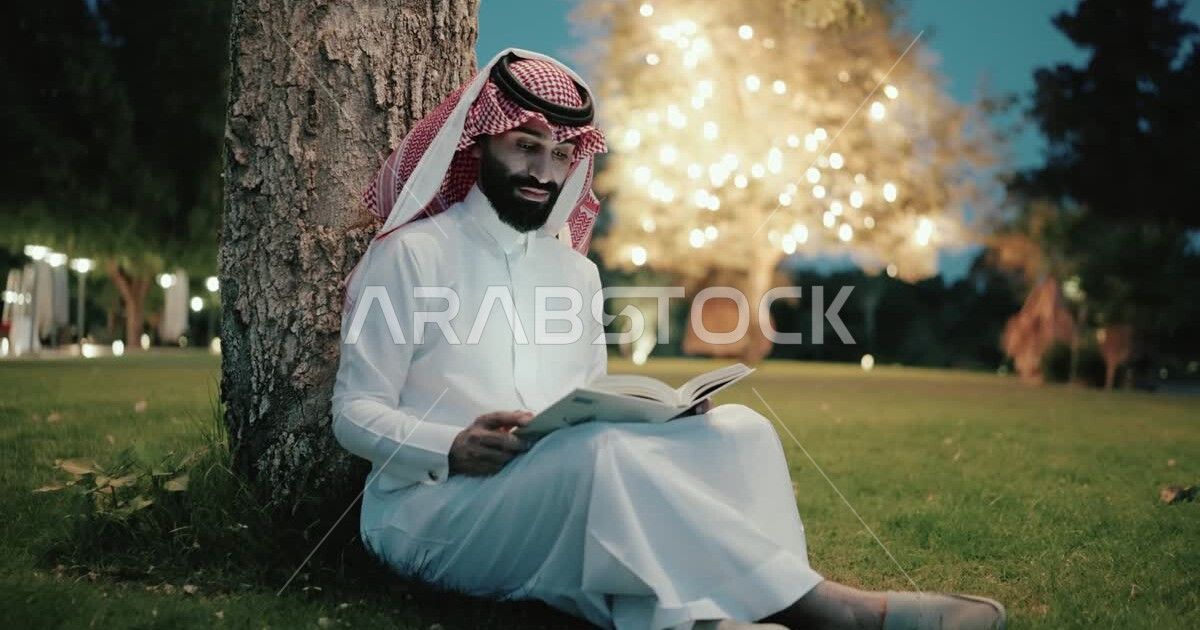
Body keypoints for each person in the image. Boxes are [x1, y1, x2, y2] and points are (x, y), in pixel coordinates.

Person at [332, 48, 1006, 630]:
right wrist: (450, 445)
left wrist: (662, 417)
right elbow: (353, 411)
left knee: (739, 433)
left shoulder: (575, 274)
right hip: (432, 509)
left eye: (561, 155)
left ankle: (709, 620)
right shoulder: (412, 255)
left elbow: (584, 404)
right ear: (479, 142)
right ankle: (828, 608)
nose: (543, 171)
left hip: (552, 481)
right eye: (525, 147)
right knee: (599, 458)